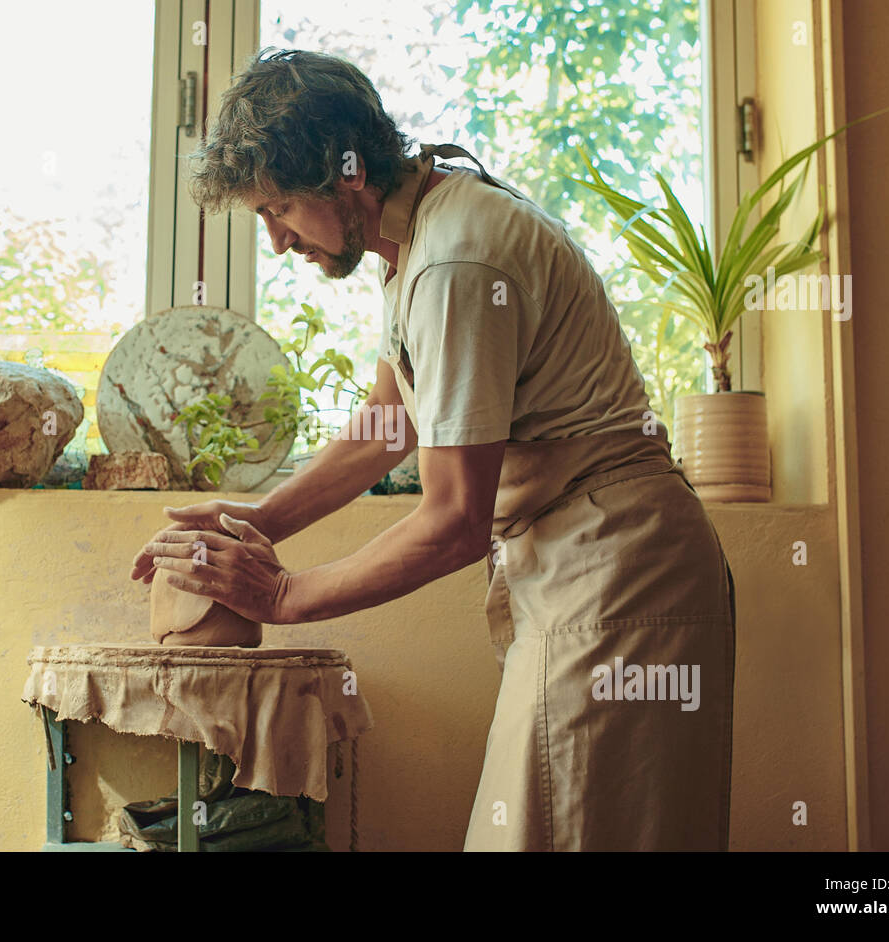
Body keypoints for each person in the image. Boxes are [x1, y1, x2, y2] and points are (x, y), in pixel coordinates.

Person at [130, 48, 735, 852]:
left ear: (343, 173)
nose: (277, 243)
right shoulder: (413, 237)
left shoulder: (455, 261)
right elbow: (394, 419)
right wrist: (264, 519)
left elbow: (453, 519)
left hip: (622, 573)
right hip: (589, 565)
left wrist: (282, 597)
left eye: (278, 210)